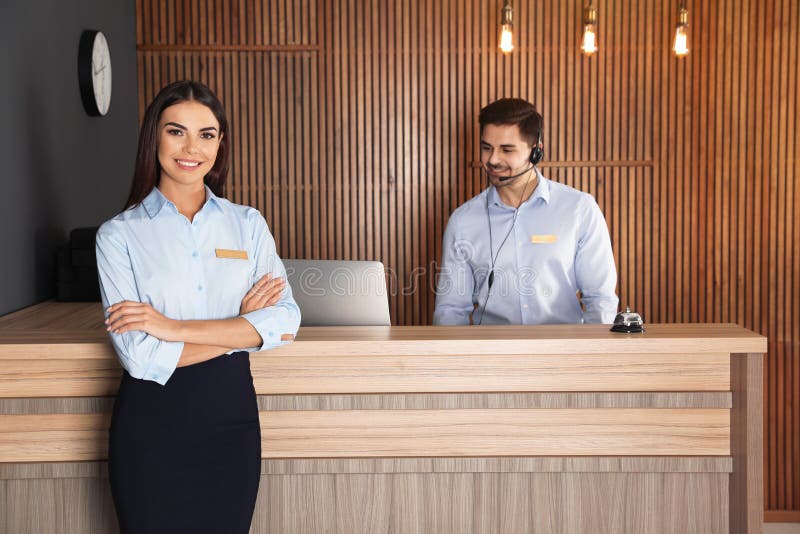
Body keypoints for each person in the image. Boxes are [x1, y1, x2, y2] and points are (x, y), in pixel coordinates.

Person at [95, 80, 300, 533]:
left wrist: (170, 327)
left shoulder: (247, 224)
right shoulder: (118, 235)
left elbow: (285, 322)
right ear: (154, 137)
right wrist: (242, 329)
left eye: (206, 134)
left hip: (231, 424)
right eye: (176, 132)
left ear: (220, 143)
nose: (192, 148)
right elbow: (140, 357)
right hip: (151, 426)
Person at [433, 98, 618, 325]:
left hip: (565, 347)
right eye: (486, 148)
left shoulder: (579, 209)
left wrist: (592, 347)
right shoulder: (462, 221)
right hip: (491, 348)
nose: (492, 159)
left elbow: (601, 300)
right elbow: (450, 311)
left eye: (507, 150)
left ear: (536, 151)